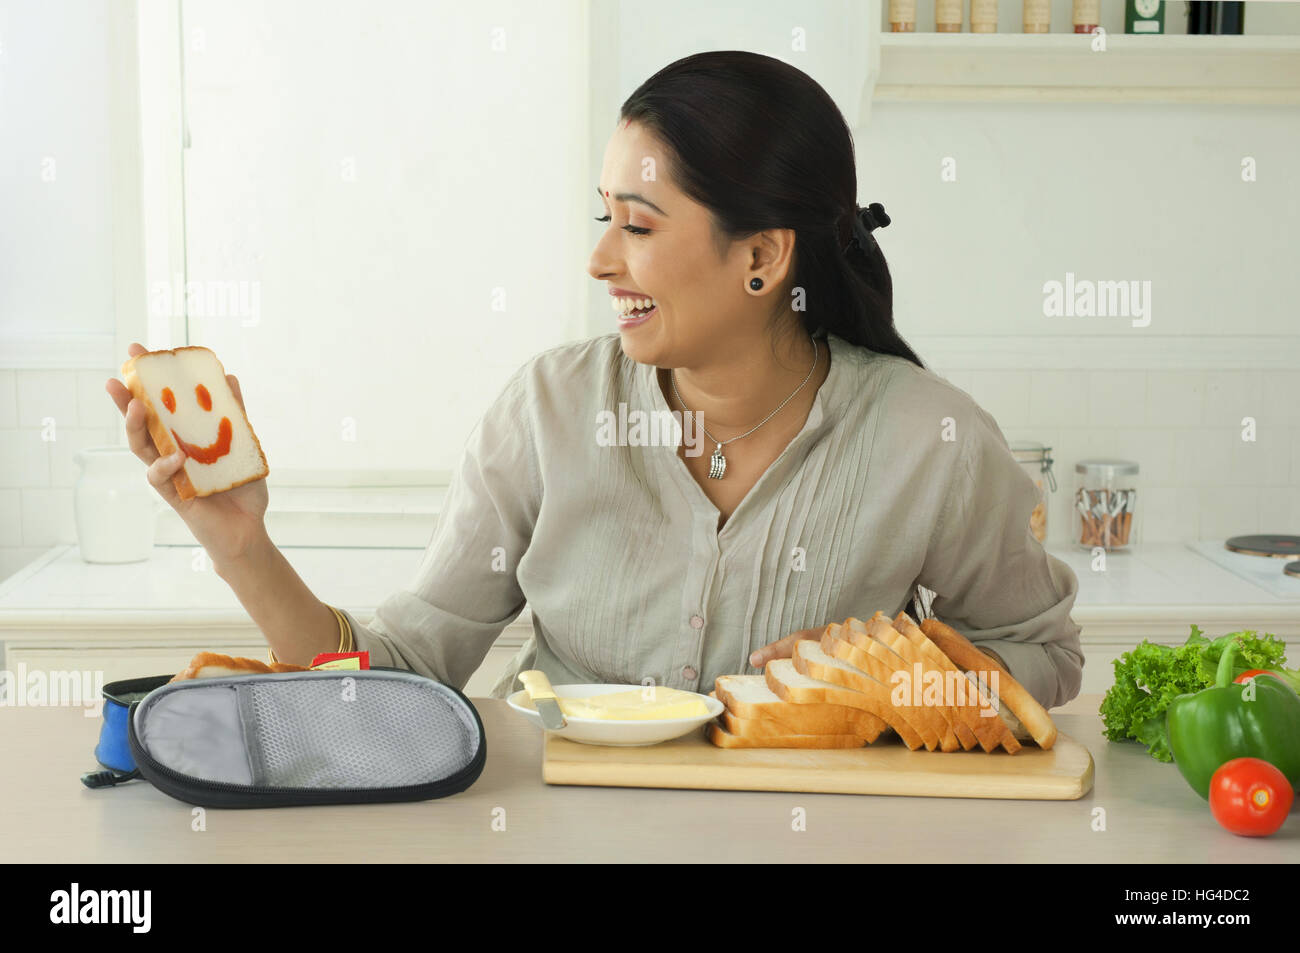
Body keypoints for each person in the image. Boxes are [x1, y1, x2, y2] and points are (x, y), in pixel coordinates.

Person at [107, 51, 1082, 709]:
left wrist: (888, 687)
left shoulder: (929, 440)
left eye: (640, 225)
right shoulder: (546, 413)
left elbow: (1041, 653)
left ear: (763, 257)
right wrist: (239, 542)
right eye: (600, 216)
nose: (601, 260)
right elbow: (393, 676)